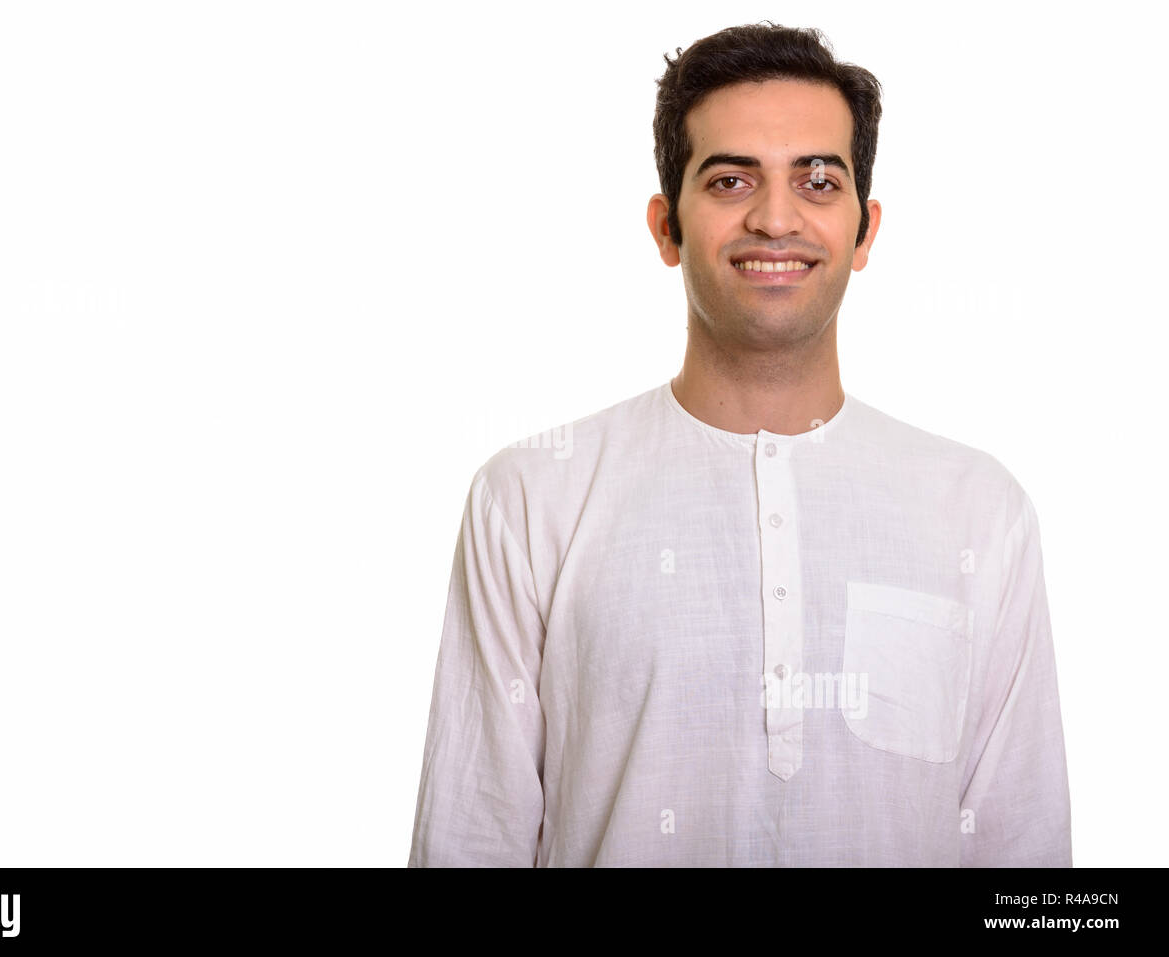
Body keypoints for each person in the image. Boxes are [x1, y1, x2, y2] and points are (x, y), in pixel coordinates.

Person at [407, 22, 1071, 867]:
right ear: (665, 227)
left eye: (818, 179)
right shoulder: (532, 498)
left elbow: (1027, 862)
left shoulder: (979, 510)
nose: (775, 216)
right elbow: (471, 837)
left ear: (864, 231)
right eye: (730, 179)